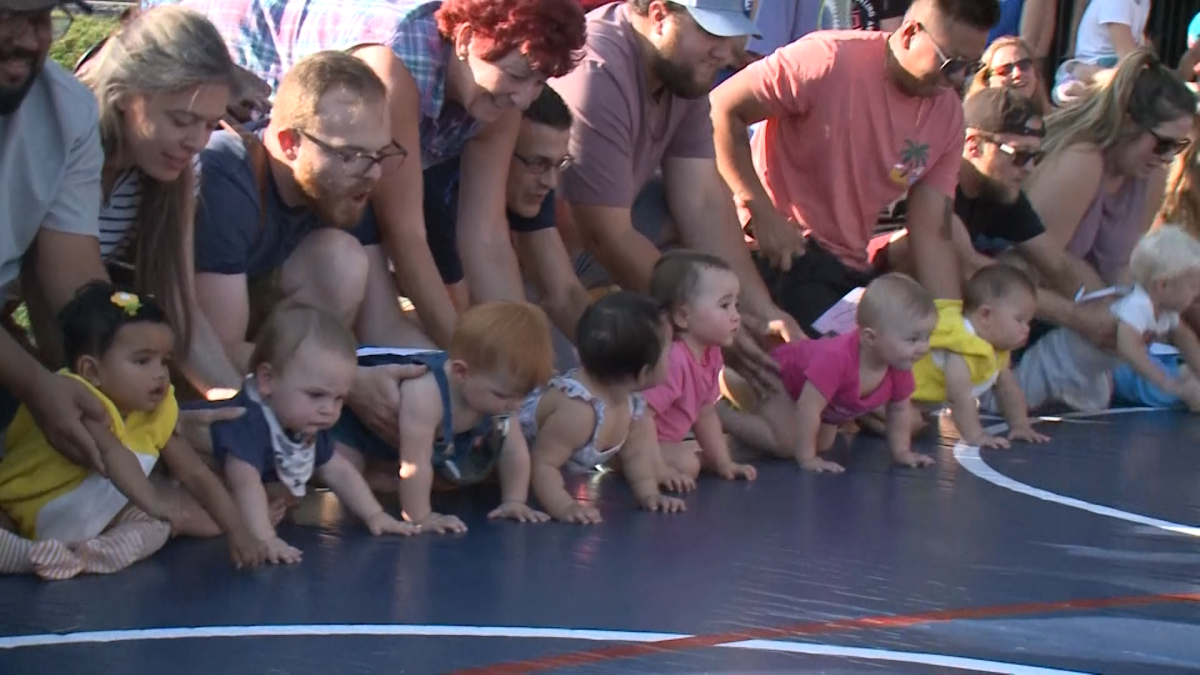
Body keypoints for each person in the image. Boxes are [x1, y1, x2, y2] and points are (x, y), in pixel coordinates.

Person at [164, 0, 588, 353]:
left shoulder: (503, 97)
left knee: (350, 274)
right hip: (240, 66)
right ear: (464, 40)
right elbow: (404, 232)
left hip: (331, 171)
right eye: (516, 75)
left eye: (540, 80)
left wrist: (516, 363)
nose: (524, 96)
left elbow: (487, 238)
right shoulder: (393, 65)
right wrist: (467, 360)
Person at [550, 0, 801, 393]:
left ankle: (691, 361)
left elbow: (701, 199)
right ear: (659, 14)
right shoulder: (595, 72)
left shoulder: (682, 70)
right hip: (540, 254)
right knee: (565, 406)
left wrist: (758, 310)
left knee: (687, 229)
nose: (727, 51)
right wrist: (705, 322)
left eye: (733, 33)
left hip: (592, 232)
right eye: (711, 32)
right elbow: (605, 235)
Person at [710, 0, 1001, 337]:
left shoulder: (948, 115)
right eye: (951, 63)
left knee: (913, 355)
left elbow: (932, 230)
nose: (959, 78)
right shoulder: (829, 58)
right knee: (849, 371)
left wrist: (950, 327)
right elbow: (719, 112)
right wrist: (761, 211)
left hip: (851, 268)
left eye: (971, 65)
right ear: (908, 34)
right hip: (784, 252)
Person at [193, 50, 430, 444]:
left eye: (379, 153)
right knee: (340, 263)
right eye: (350, 154)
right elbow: (219, 349)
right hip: (183, 359)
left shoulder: (348, 183)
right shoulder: (228, 173)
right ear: (290, 143)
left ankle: (300, 427)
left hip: (273, 348)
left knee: (341, 261)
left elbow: (383, 323)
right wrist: (343, 382)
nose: (371, 172)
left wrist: (453, 376)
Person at [0, 283, 264, 579]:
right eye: (143, 361)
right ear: (92, 371)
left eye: (164, 361)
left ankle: (87, 555)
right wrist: (154, 501)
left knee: (155, 526)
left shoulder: (156, 414)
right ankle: (27, 556)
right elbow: (113, 454)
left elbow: (195, 474)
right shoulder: (78, 398)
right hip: (20, 511)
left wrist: (238, 529)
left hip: (94, 521)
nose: (160, 373)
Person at [56, 6, 245, 398]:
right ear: (127, 93)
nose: (197, 141)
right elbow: (66, 314)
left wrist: (238, 405)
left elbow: (180, 305)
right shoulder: (66, 147)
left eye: (210, 124)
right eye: (181, 119)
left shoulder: (175, 171)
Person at [884, 87, 1119, 350]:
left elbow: (1056, 263)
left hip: (921, 309)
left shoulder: (1001, 189)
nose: (1029, 168)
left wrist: (1109, 308)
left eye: (1035, 157)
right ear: (973, 145)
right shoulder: (937, 181)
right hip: (872, 291)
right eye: (1020, 156)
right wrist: (1079, 318)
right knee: (989, 280)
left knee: (1022, 269)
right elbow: (972, 270)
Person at [211, 305, 419, 566]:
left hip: (228, 488)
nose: (329, 410)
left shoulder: (301, 421)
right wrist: (265, 537)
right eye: (316, 395)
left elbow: (338, 470)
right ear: (267, 380)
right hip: (183, 472)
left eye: (339, 398)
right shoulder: (246, 419)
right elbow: (245, 482)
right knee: (212, 518)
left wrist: (374, 514)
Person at [333, 302, 554, 534]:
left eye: (521, 396)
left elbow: (514, 450)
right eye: (504, 395)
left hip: (389, 440)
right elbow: (414, 463)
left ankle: (375, 474)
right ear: (461, 372)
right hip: (347, 421)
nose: (515, 405)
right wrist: (420, 516)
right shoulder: (427, 394)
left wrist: (515, 500)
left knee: (401, 481)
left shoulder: (497, 394)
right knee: (348, 476)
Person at [719, 273, 937, 473]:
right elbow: (808, 406)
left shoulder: (898, 364)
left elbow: (899, 411)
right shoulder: (837, 359)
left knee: (823, 443)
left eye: (927, 337)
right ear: (871, 338)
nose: (923, 347)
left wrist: (902, 453)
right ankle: (717, 412)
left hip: (818, 400)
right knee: (789, 443)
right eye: (913, 340)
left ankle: (742, 391)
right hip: (781, 376)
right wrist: (807, 458)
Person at [426, 86, 591, 348]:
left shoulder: (536, 175)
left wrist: (616, 361)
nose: (550, 181)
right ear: (502, 146)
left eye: (558, 163)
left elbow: (562, 292)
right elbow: (456, 308)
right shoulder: (440, 187)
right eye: (539, 163)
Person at [1024, 51, 1194, 295]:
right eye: (1164, 144)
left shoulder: (1152, 175)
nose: (1168, 157)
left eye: (1178, 146)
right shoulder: (1082, 161)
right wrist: (1104, 311)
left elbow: (1123, 268)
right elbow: (1036, 263)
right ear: (1127, 122)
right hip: (1031, 307)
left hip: (1090, 308)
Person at [993, 225, 1200, 414]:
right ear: (1163, 285)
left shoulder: (1167, 312)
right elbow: (1129, 348)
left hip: (1093, 372)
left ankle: (1056, 402)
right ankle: (987, 392)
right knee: (1009, 404)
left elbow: (1187, 341)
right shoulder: (1137, 306)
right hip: (1057, 361)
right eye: (1193, 287)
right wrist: (1166, 382)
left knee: (1095, 406)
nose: (1197, 294)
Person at [521, 291, 687, 524]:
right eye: (669, 352)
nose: (673, 358)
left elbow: (636, 455)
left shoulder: (632, 406)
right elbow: (543, 464)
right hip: (502, 445)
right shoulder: (578, 412)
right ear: (643, 373)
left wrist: (649, 495)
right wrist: (563, 506)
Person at [641, 251, 756, 481]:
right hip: (634, 443)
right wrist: (653, 465)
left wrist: (724, 464)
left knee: (694, 458)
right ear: (683, 316)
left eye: (736, 305)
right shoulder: (673, 360)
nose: (735, 316)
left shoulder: (711, 354)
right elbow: (640, 415)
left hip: (665, 442)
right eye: (724, 306)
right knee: (687, 464)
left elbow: (704, 413)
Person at [910, 264, 1046, 448]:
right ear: (985, 315)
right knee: (909, 423)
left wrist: (1020, 424)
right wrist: (976, 436)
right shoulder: (961, 345)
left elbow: (1008, 390)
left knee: (914, 420)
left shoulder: (995, 348)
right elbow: (958, 397)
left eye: (1028, 322)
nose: (1026, 328)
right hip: (889, 391)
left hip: (914, 400)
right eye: (1019, 320)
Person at [966, 36, 1051, 113]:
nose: (1017, 73)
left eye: (1024, 65)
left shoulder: (1060, 122)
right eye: (1005, 70)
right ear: (986, 81)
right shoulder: (968, 126)